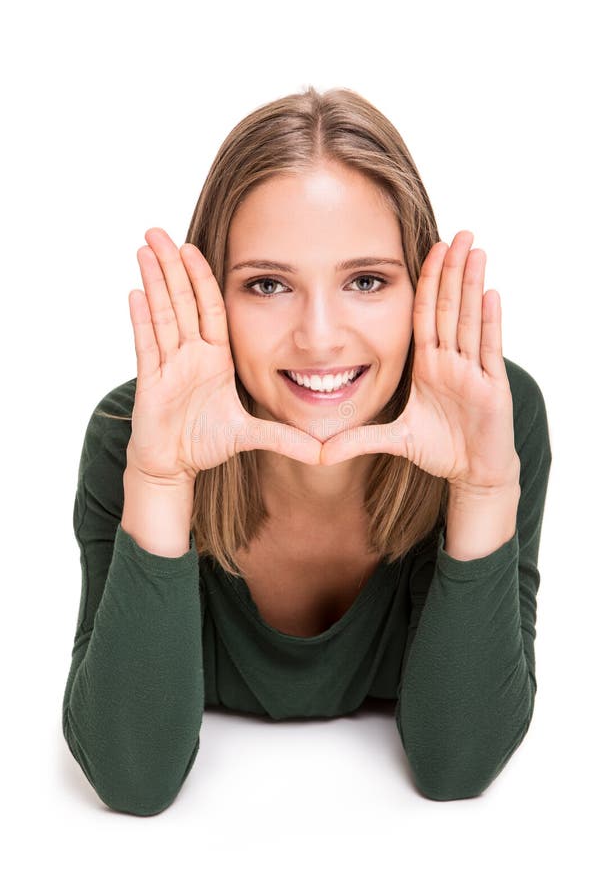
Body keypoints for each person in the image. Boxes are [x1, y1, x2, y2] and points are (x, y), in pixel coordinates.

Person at [62, 85, 552, 815]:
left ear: (420, 288)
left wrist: (483, 491)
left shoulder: (490, 414)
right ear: (212, 300)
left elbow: (459, 763)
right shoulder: (133, 435)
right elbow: (132, 777)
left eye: (365, 281)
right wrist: (160, 480)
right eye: (267, 284)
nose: (320, 336)